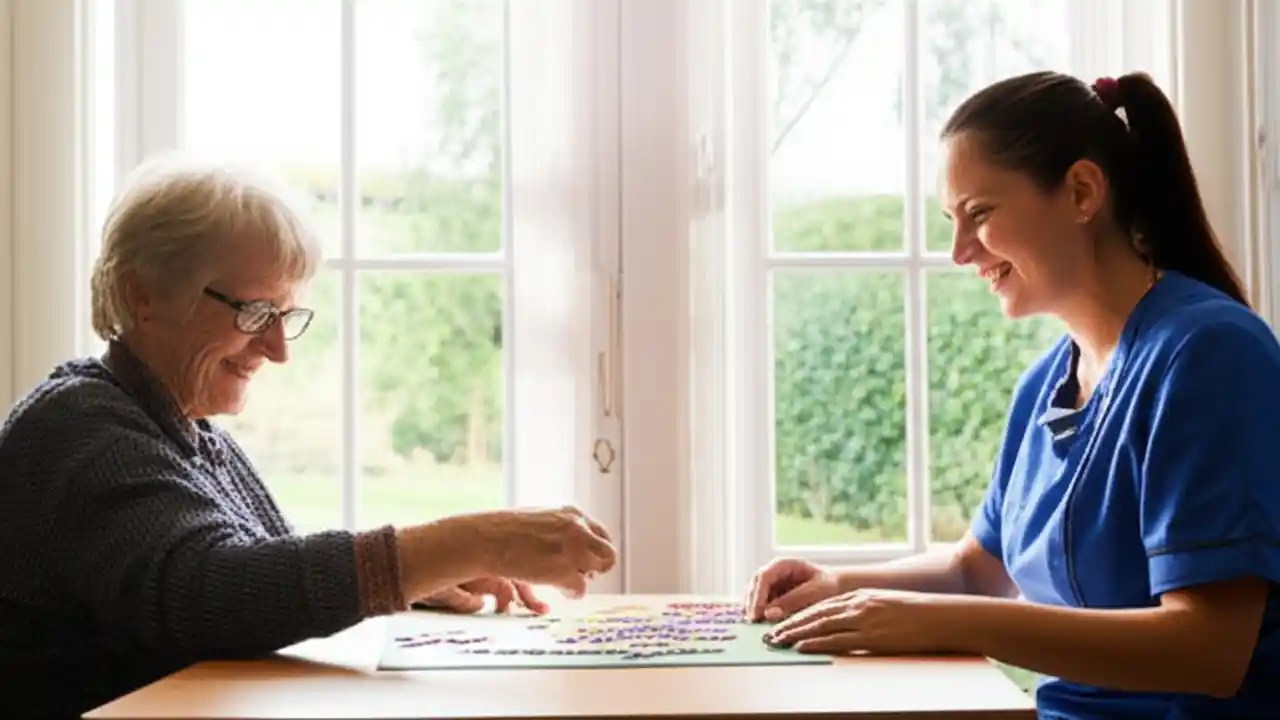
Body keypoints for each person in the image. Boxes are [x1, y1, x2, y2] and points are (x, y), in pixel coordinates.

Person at [0, 158, 617, 718]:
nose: (277, 349)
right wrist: (472, 542)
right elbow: (214, 595)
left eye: (284, 316)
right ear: (144, 295)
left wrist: (421, 577)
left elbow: (269, 588)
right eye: (254, 315)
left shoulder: (174, 427)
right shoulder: (84, 431)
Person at [745, 70, 1280, 717]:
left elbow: (1208, 649)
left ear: (1082, 192)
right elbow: (977, 570)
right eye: (951, 221)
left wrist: (946, 622)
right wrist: (840, 585)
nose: (959, 252)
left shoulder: (1210, 354)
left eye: (980, 214)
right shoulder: (1046, 382)